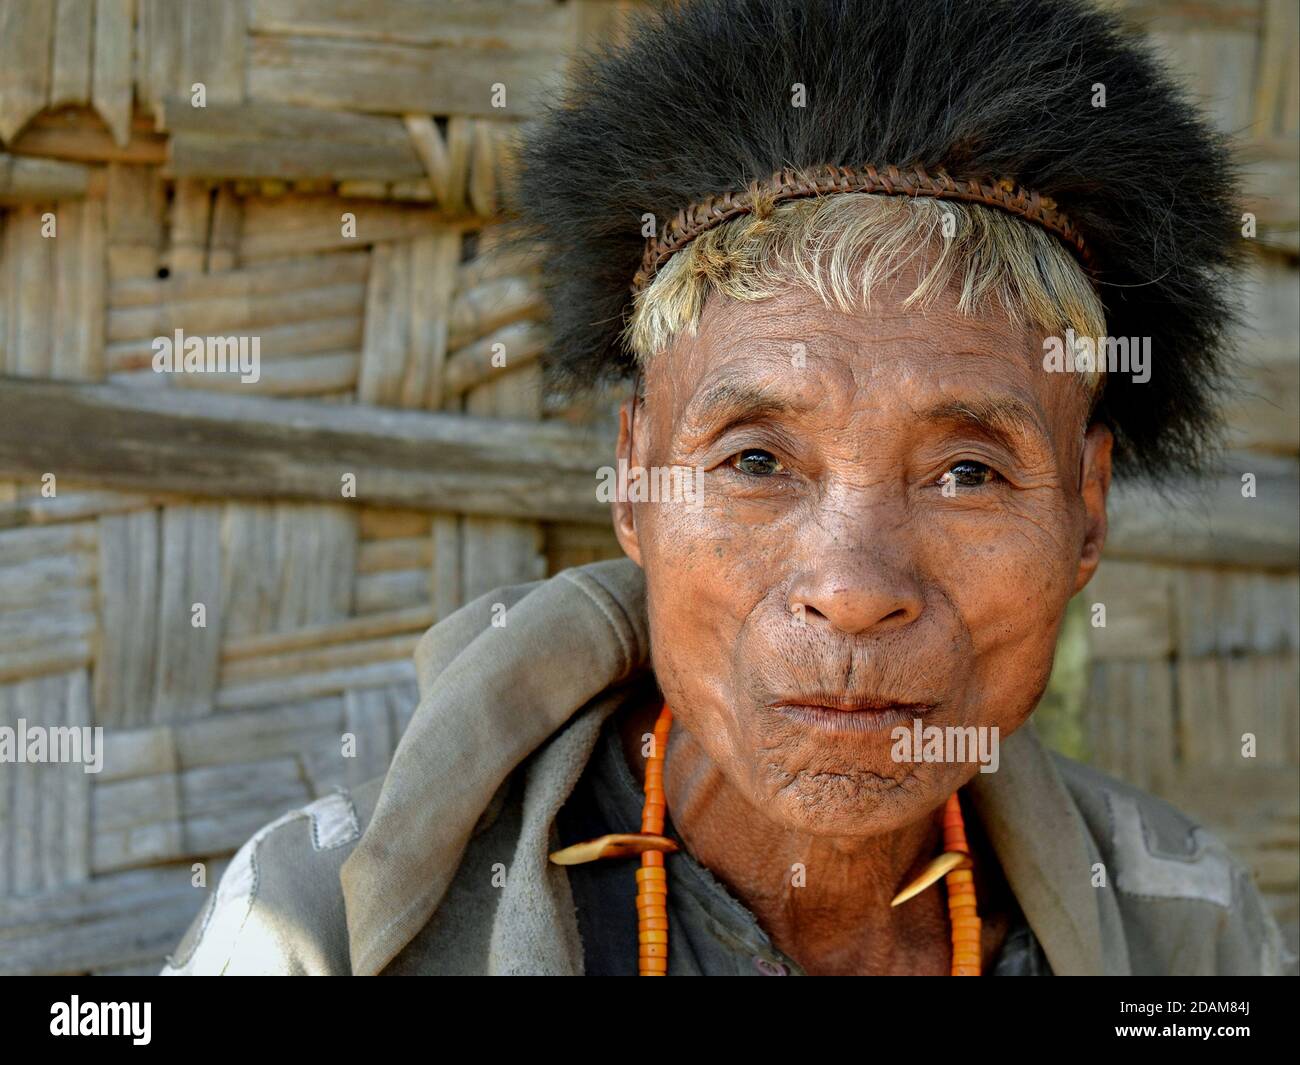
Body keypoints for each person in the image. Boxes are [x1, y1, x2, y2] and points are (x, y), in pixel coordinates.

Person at [162, 0, 1286, 976]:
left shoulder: (1186, 932)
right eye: (756, 461)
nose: (851, 590)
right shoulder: (321, 923)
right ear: (636, 479)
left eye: (966, 473)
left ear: (1084, 513)